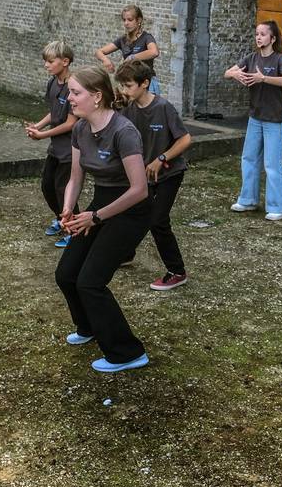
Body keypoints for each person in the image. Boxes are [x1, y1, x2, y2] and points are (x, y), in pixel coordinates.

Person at [54, 66, 152, 373]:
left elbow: (139, 189)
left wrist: (95, 217)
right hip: (99, 205)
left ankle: (128, 353)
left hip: (130, 210)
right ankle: (90, 327)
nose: (69, 98)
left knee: (90, 282)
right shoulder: (81, 129)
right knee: (66, 274)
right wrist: (68, 209)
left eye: (75, 92)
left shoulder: (123, 131)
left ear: (97, 97)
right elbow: (75, 177)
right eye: (69, 92)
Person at [117, 61, 194, 291]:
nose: (124, 90)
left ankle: (177, 271)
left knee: (158, 220)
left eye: (128, 85)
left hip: (170, 173)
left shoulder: (163, 107)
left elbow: (185, 139)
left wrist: (162, 158)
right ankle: (126, 254)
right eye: (122, 85)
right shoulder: (126, 109)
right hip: (144, 175)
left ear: (145, 83)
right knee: (132, 213)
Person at [224, 20, 282, 221]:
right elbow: (227, 73)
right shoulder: (251, 58)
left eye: (263, 34)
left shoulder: (280, 59)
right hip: (255, 118)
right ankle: (248, 200)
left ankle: (279, 207)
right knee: (249, 159)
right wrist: (236, 74)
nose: (258, 37)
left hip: (274, 119)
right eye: (257, 34)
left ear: (272, 38)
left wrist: (264, 78)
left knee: (272, 164)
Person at [26, 41, 79, 248]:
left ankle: (74, 230)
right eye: (45, 61)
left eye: (50, 61)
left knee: (63, 189)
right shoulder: (53, 83)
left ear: (65, 62)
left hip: (71, 149)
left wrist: (43, 135)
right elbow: (54, 111)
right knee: (47, 185)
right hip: (56, 147)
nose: (46, 65)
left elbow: (70, 123)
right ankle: (61, 219)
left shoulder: (74, 86)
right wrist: (37, 126)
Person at [95, 5, 161, 94]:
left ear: (139, 20)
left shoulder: (146, 37)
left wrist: (132, 57)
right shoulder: (123, 39)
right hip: (130, 84)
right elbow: (99, 52)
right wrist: (105, 60)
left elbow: (154, 52)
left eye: (130, 20)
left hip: (146, 84)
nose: (126, 23)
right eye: (124, 20)